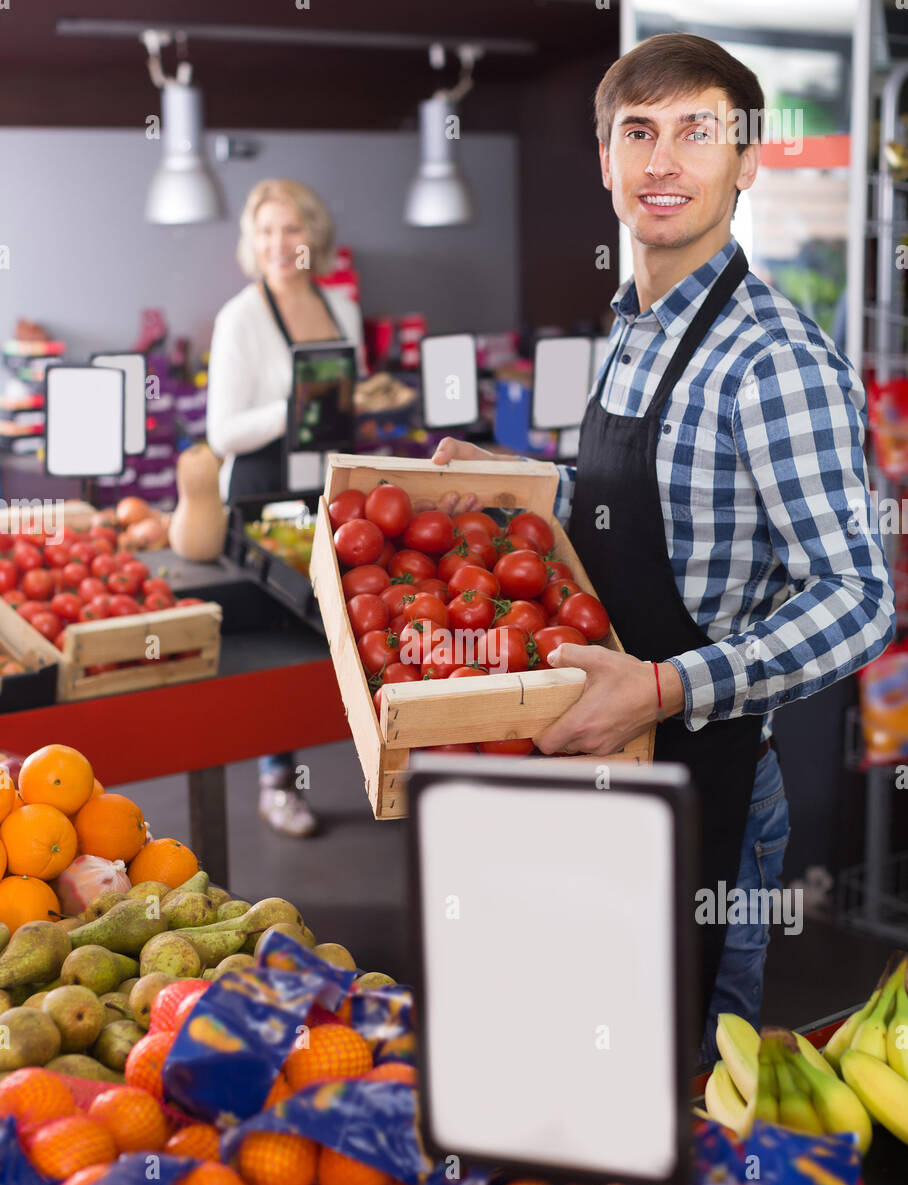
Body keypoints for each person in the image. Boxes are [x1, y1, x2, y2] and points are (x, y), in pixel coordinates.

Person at [431, 33, 895, 1064]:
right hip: (599, 759)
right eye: (637, 133)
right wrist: (508, 485)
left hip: (704, 782)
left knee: (676, 1079)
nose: (662, 161)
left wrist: (660, 688)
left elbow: (857, 598)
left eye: (698, 131)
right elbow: (649, 508)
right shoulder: (634, 325)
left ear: (746, 160)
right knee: (588, 1065)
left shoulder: (773, 359)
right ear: (604, 160)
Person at [207, 178, 364, 839]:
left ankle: (382, 757)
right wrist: (295, 405)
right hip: (261, 496)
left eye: (291, 230)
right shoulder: (240, 318)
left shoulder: (341, 307)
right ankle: (278, 781)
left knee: (352, 621)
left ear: (314, 238)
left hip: (323, 488)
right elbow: (222, 434)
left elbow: (348, 402)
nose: (279, 244)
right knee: (285, 639)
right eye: (266, 232)